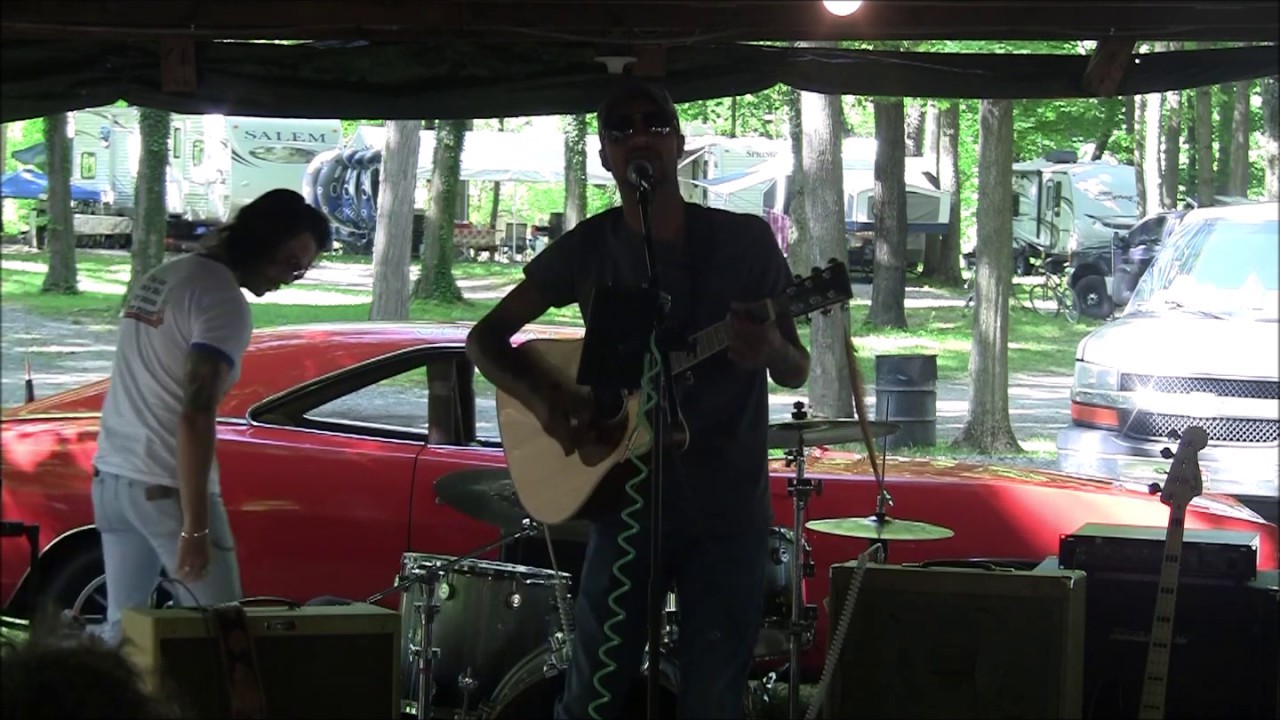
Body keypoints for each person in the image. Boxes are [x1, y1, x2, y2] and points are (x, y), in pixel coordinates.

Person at [465, 78, 810, 719]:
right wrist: (548, 402)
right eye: (621, 129)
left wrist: (770, 352)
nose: (639, 135)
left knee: (712, 701)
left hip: (727, 510)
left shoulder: (743, 244)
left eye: (654, 123)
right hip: (624, 502)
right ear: (605, 157)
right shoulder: (590, 247)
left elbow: (796, 368)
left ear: (677, 143)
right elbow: (485, 339)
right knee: (591, 697)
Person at [86, 189, 331, 646]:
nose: (291, 277)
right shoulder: (222, 302)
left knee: (123, 635)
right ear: (260, 241)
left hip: (112, 480)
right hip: (165, 488)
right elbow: (196, 414)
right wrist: (195, 527)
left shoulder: (165, 277)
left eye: (302, 270)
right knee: (223, 640)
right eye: (290, 262)